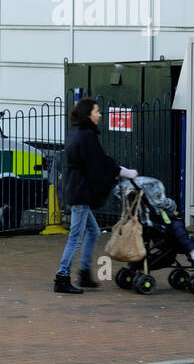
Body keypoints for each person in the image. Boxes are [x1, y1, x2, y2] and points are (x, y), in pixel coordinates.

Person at [57, 97, 137, 293]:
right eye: (96, 111)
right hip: (81, 192)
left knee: (92, 231)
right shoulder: (86, 136)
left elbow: (95, 162)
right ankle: (62, 276)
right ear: (88, 114)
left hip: (77, 189)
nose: (100, 114)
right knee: (75, 237)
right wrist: (121, 171)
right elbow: (99, 162)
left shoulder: (77, 132)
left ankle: (84, 272)